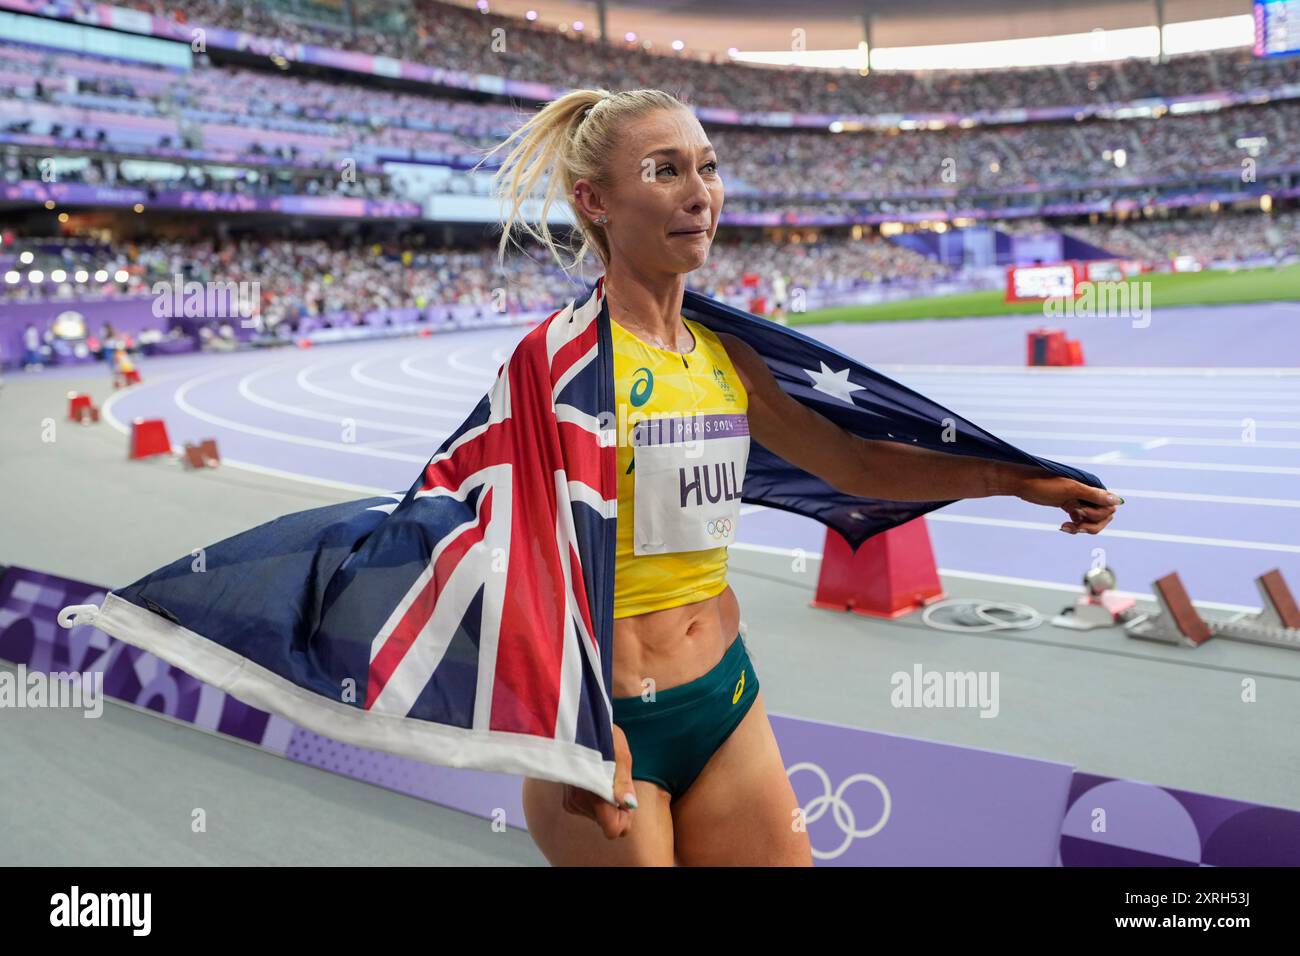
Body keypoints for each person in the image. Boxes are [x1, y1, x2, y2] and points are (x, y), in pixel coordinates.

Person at [478, 88, 1122, 867]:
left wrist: (1016, 478)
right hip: (604, 720)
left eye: (708, 168)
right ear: (594, 200)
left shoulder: (726, 356)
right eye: (664, 171)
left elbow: (851, 463)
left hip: (724, 701)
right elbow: (502, 557)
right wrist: (571, 724)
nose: (698, 194)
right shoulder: (556, 364)